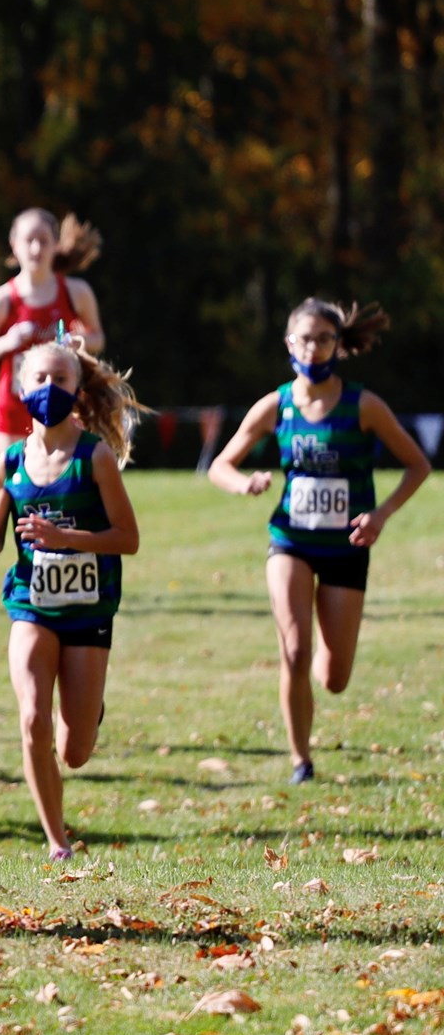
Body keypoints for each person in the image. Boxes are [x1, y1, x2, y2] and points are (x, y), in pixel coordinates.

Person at [207, 300, 429, 784]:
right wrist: (244, 483)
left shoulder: (362, 405)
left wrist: (382, 514)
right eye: (305, 338)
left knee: (334, 676)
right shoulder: (276, 405)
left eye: (324, 339)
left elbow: (418, 464)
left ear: (338, 345)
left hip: (347, 545)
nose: (314, 347)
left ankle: (319, 693)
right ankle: (300, 760)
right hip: (290, 540)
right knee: (294, 650)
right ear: (289, 343)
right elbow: (221, 464)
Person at [0, 337, 142, 860]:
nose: (49, 388)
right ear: (21, 387)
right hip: (31, 604)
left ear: (77, 389)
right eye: (39, 379)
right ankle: (57, 842)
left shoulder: (96, 458)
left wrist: (68, 539)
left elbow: (127, 539)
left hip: (88, 611)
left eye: (60, 380)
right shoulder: (11, 460)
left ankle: (88, 713)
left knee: (76, 750)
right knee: (31, 719)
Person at [0, 211, 105, 457]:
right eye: (29, 240)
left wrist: (76, 341)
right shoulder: (1, 300)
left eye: (43, 240)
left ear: (56, 244)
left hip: (65, 406)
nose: (36, 248)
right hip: (13, 410)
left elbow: (98, 339)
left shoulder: (76, 292)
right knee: (18, 489)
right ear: (14, 245)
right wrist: (7, 342)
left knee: (64, 486)